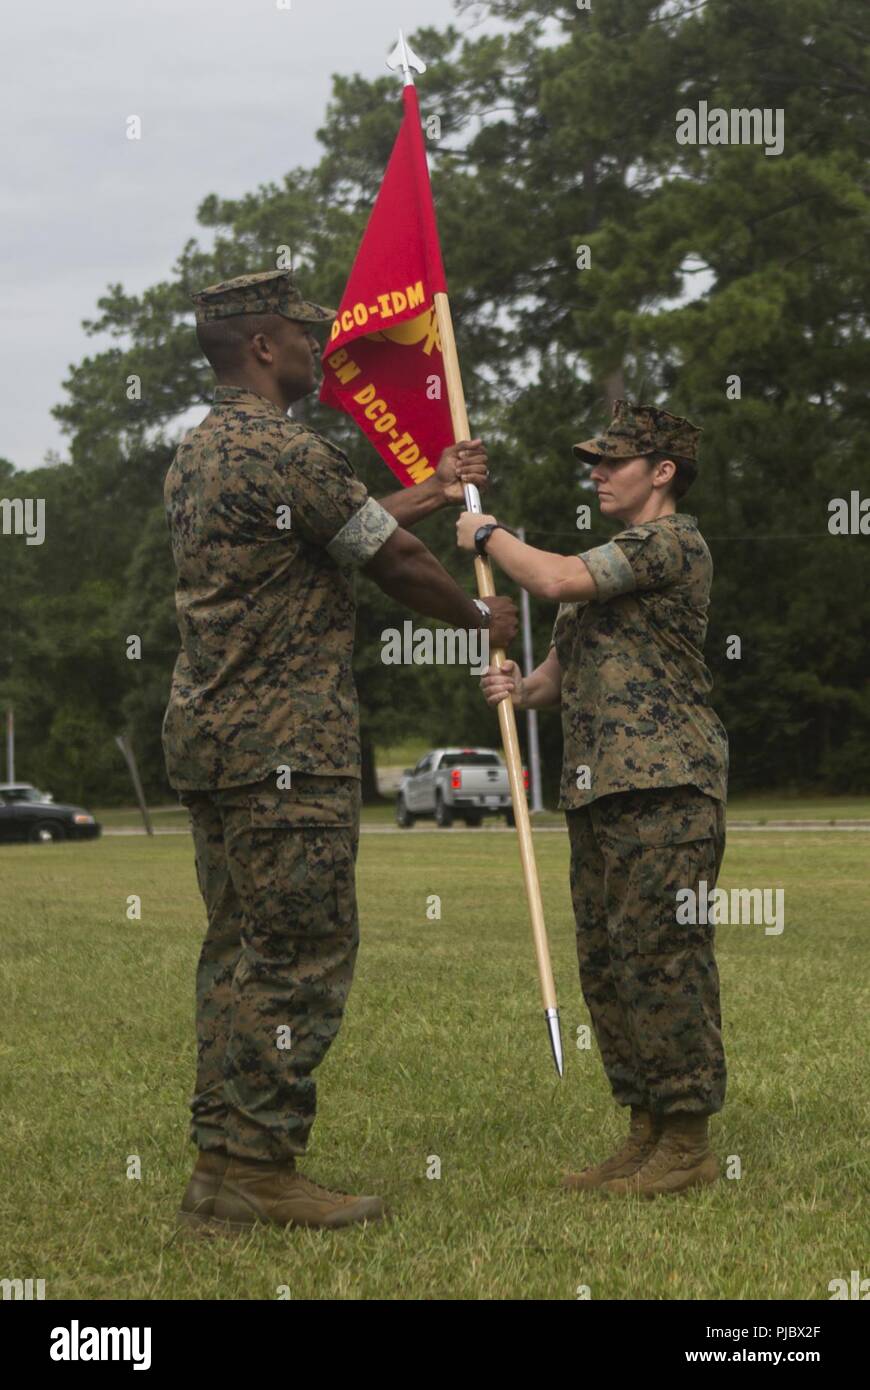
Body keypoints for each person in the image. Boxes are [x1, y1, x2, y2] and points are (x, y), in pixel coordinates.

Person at [165, 269, 517, 1233]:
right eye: (302, 336)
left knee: (237, 950)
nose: (318, 351)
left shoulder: (198, 453)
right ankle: (259, 1167)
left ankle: (219, 1163)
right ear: (263, 347)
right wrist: (479, 614)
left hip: (212, 741)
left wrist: (435, 488)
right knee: (300, 954)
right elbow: (391, 559)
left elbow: (334, 529)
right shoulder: (287, 450)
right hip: (287, 744)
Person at [457, 400, 729, 1197]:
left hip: (665, 788)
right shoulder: (606, 562)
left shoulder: (671, 541)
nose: (598, 474)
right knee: (609, 966)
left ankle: (687, 1142)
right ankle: (644, 1129)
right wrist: (519, 687)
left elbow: (550, 577)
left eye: (614, 462)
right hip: (599, 791)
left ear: (663, 471)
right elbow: (558, 675)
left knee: (663, 961)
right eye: (595, 462)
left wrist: (485, 531)